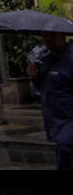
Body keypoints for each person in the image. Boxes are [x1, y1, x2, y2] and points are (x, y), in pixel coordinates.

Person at [26, 30, 73, 171]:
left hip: (69, 123)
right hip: (56, 123)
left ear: (62, 36)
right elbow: (44, 88)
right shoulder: (46, 60)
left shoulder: (70, 59)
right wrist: (35, 77)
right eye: (45, 36)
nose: (48, 39)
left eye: (52, 35)